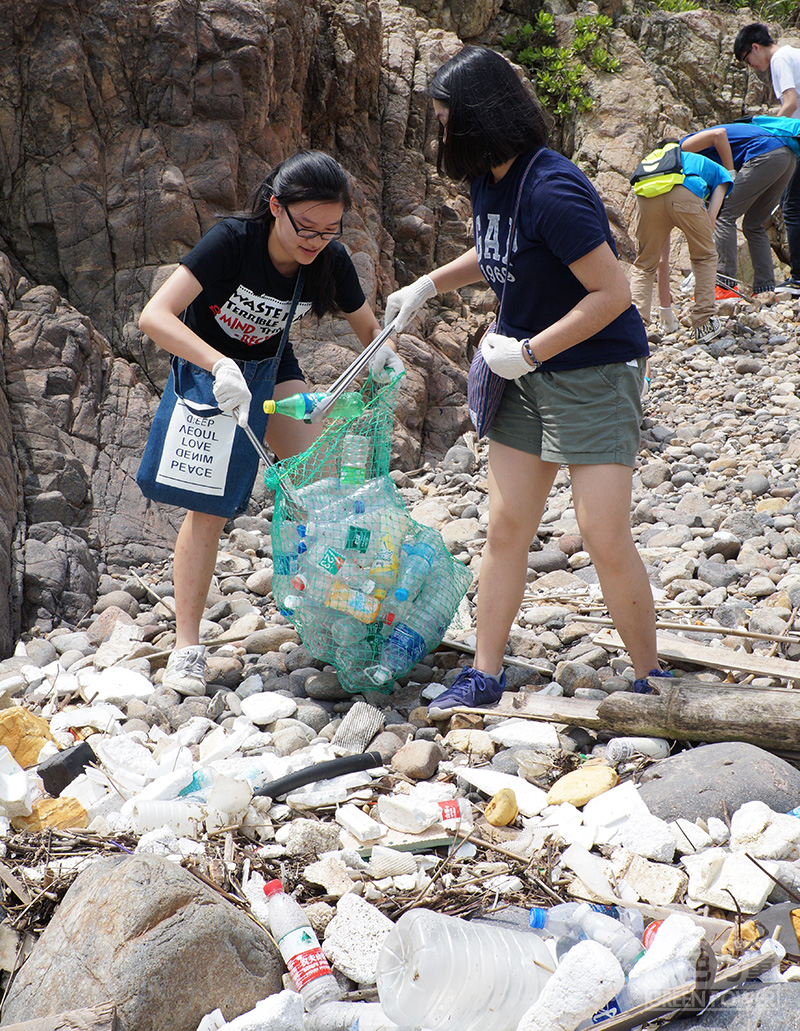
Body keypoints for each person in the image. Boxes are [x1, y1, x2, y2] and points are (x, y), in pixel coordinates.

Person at [384, 45, 670, 716]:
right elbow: (498, 248)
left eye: (446, 121)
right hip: (521, 369)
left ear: (479, 117)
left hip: (592, 371)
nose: (441, 135)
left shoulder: (551, 187)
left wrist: (532, 351)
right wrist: (428, 284)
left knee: (602, 532)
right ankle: (484, 673)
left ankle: (652, 680)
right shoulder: (490, 177)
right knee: (507, 524)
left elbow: (612, 294)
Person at [138, 151, 402, 696]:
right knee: (209, 510)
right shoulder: (233, 241)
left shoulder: (330, 259)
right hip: (210, 373)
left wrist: (385, 355)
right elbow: (155, 316)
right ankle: (186, 647)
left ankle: (339, 613)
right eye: (306, 227)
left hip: (271, 367)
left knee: (320, 482)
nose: (316, 241)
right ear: (276, 207)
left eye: (330, 230)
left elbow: (371, 333)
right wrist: (217, 364)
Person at [629, 140, 733, 344]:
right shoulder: (710, 167)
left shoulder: (654, 162)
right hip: (684, 191)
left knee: (644, 264)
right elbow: (711, 219)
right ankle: (703, 323)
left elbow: (661, 258)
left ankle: (634, 328)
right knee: (704, 257)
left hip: (645, 196)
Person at [680, 122, 796, 298]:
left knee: (724, 215)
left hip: (765, 155)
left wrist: (730, 173)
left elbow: (719, 134)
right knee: (754, 224)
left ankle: (725, 285)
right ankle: (765, 289)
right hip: (786, 158)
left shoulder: (682, 147)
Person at [734, 23, 800, 294]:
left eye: (747, 58)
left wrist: (767, 131)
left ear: (756, 47)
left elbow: (791, 103)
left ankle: (798, 279)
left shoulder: (780, 58)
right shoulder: (793, 54)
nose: (750, 65)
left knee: (792, 205)